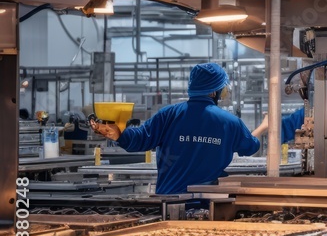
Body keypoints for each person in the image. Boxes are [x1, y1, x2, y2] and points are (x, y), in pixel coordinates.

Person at [90, 63, 260, 195]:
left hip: (169, 202)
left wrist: (119, 134)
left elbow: (138, 139)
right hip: (209, 203)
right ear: (215, 91)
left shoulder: (168, 115)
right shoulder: (230, 122)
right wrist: (264, 127)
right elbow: (251, 147)